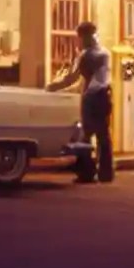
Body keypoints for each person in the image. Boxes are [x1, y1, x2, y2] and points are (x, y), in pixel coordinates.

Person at [46, 21, 114, 183]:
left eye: (80, 38)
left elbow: (72, 78)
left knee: (85, 136)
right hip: (105, 96)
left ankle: (86, 172)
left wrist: (52, 87)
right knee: (104, 136)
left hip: (91, 98)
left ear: (84, 37)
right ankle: (106, 173)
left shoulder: (86, 55)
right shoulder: (105, 53)